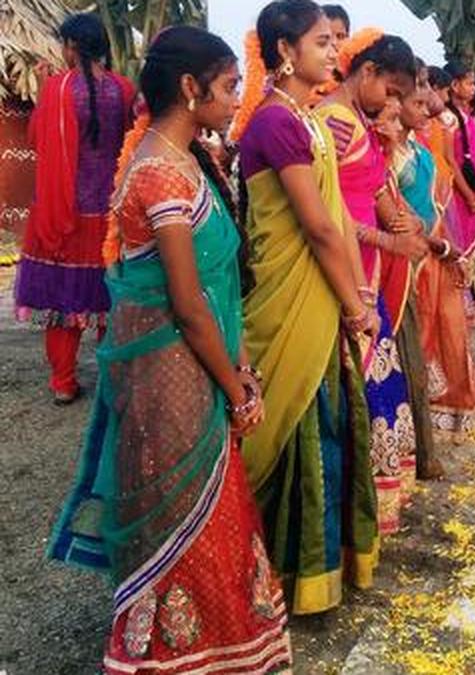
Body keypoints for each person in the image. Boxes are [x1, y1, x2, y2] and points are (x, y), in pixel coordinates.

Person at [48, 26, 293, 672]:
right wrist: (237, 389)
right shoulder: (159, 173)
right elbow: (186, 304)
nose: (236, 99)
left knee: (213, 503)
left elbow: (216, 290)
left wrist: (239, 365)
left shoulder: (188, 160)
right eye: (229, 86)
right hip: (169, 374)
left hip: (204, 362)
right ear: (190, 87)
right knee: (181, 506)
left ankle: (218, 645)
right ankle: (169, 655)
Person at [233, 0, 380, 615]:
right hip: (289, 297)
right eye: (321, 41)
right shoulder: (275, 123)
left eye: (332, 41)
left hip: (320, 296)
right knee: (297, 427)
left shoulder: (309, 120)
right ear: (285, 51)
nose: (332, 51)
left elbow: (338, 215)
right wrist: (354, 306)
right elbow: (316, 227)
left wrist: (359, 292)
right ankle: (277, 574)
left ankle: (321, 569)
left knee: (327, 425)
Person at [315, 30, 438, 535]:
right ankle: (350, 516)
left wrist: (408, 226)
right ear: (366, 72)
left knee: (379, 393)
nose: (393, 103)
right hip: (344, 276)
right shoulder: (332, 123)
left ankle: (368, 511)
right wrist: (390, 241)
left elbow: (374, 193)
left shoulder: (358, 122)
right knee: (354, 396)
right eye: (391, 91)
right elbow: (329, 214)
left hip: (368, 272)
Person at [15, 13, 134, 405]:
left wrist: (45, 95)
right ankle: (113, 383)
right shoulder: (124, 89)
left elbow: (36, 139)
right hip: (112, 215)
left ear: (71, 47)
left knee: (62, 303)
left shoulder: (58, 88)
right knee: (112, 300)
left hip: (64, 215)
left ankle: (64, 382)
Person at [413, 67, 475, 440]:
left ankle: (449, 404)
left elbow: (447, 164)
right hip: (413, 250)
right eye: (422, 85)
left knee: (447, 319)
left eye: (429, 85)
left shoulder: (435, 127)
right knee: (422, 324)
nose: (430, 94)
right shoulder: (390, 137)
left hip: (437, 234)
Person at [440, 61, 475, 319]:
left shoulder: (465, 117)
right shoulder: (448, 119)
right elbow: (451, 160)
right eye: (470, 83)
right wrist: (468, 195)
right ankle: (468, 300)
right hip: (460, 192)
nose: (474, 88)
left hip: (473, 190)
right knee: (462, 244)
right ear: (454, 85)